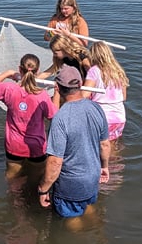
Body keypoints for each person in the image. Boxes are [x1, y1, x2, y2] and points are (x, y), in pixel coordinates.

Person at [37, 66, 110, 228]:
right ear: (80, 85)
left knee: (71, 221)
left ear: (57, 88)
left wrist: (43, 189)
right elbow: (105, 144)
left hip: (71, 185)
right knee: (87, 206)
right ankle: (100, 231)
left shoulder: (61, 118)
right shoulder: (96, 108)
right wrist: (104, 167)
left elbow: (55, 163)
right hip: (92, 178)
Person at [0, 54, 58, 180]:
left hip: (14, 145)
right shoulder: (42, 95)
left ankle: (15, 199)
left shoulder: (9, 89)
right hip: (36, 146)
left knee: (13, 180)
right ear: (38, 71)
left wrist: (8, 73)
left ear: (20, 69)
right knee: (35, 180)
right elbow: (54, 116)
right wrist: (57, 92)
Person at [82, 41, 129, 142]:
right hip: (119, 117)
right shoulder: (118, 70)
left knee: (100, 146)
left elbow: (84, 95)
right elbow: (124, 97)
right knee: (112, 145)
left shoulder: (94, 71)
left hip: (102, 117)